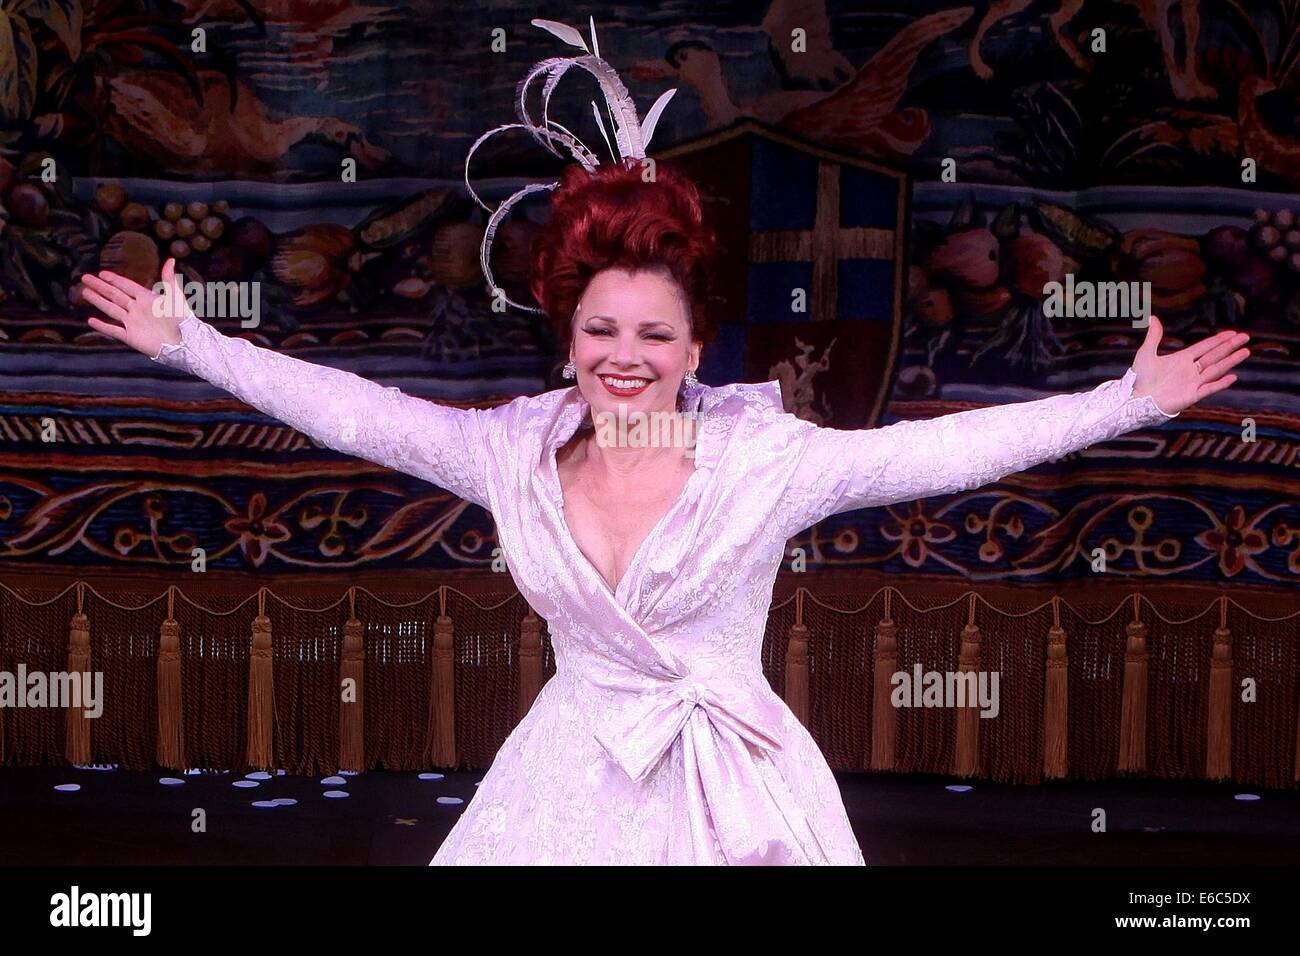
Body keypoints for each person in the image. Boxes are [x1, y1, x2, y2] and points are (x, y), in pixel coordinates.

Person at [79, 22, 1250, 865]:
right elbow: (355, 409)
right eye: (600, 328)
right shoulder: (512, 453)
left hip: (730, 787)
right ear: (568, 336)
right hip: (562, 788)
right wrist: (194, 346)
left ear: (696, 346)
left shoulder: (762, 457)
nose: (623, 353)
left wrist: (1127, 401)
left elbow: (935, 455)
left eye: (653, 331)